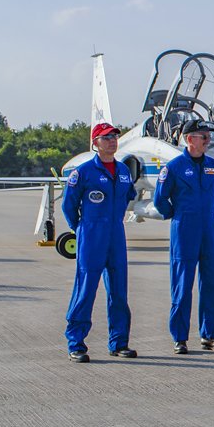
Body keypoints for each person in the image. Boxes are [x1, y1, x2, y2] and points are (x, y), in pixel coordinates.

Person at [154, 120, 214, 354]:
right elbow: (160, 200)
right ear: (189, 139)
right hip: (184, 229)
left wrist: (209, 211)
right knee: (182, 284)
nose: (207, 139)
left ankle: (211, 336)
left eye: (208, 135)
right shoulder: (174, 167)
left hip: (209, 228)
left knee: (212, 284)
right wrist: (177, 215)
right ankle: (180, 338)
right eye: (202, 136)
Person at [62, 123, 138, 362]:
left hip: (115, 234)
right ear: (95, 143)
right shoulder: (83, 172)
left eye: (115, 137)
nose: (113, 141)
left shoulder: (124, 170)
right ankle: (76, 343)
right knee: (85, 290)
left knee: (118, 291)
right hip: (91, 234)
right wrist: (83, 229)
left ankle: (118, 342)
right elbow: (68, 206)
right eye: (106, 138)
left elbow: (128, 196)